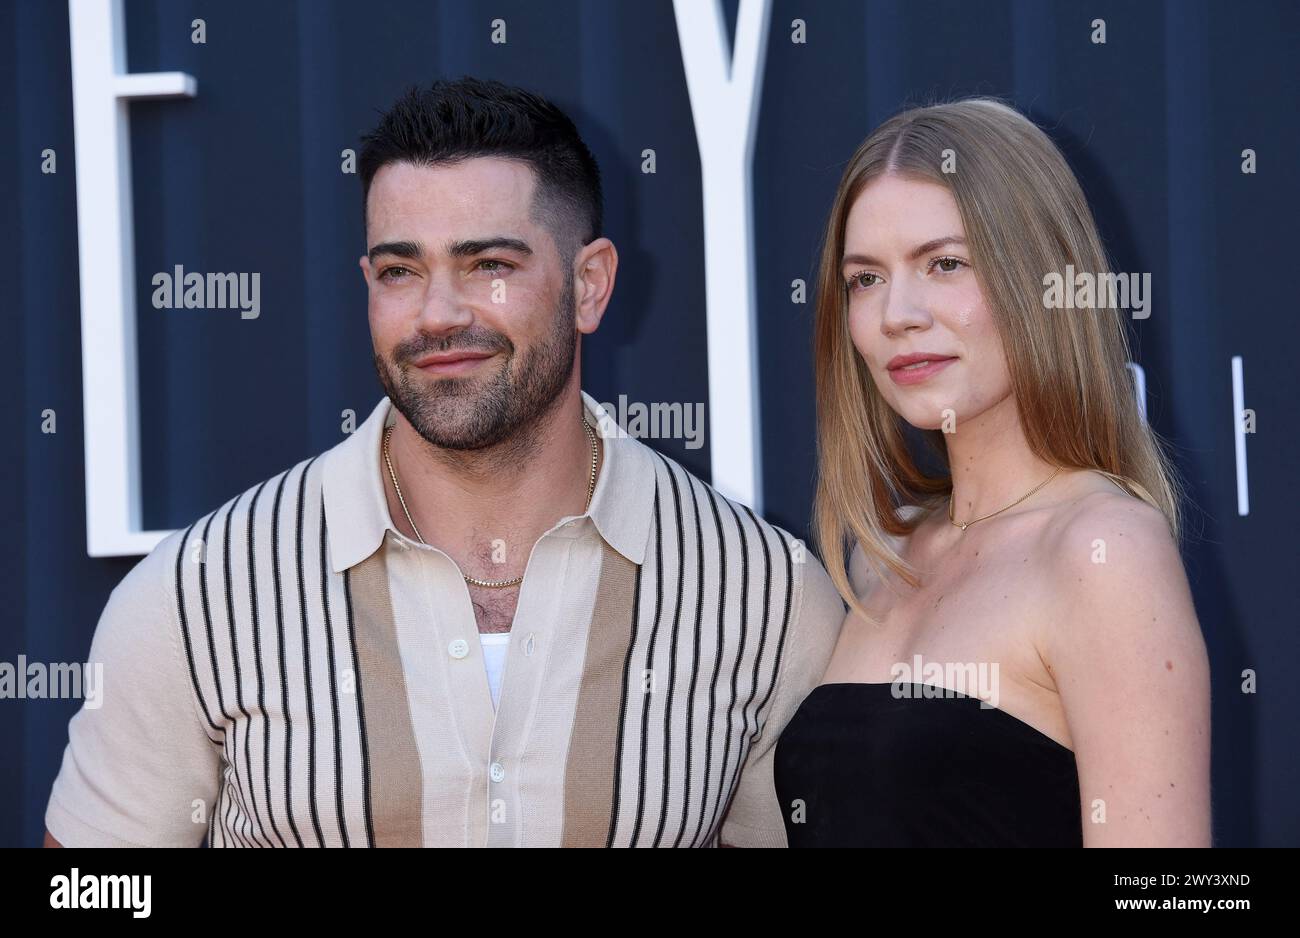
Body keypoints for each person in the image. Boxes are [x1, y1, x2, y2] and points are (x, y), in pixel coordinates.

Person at [44, 77, 845, 848]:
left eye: (489, 265)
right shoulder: (196, 596)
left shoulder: (763, 596)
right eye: (400, 271)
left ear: (591, 284)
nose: (437, 315)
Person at [774, 98, 1212, 847]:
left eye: (944, 264)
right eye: (866, 279)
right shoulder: (881, 555)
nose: (898, 314)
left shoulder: (1103, 552)